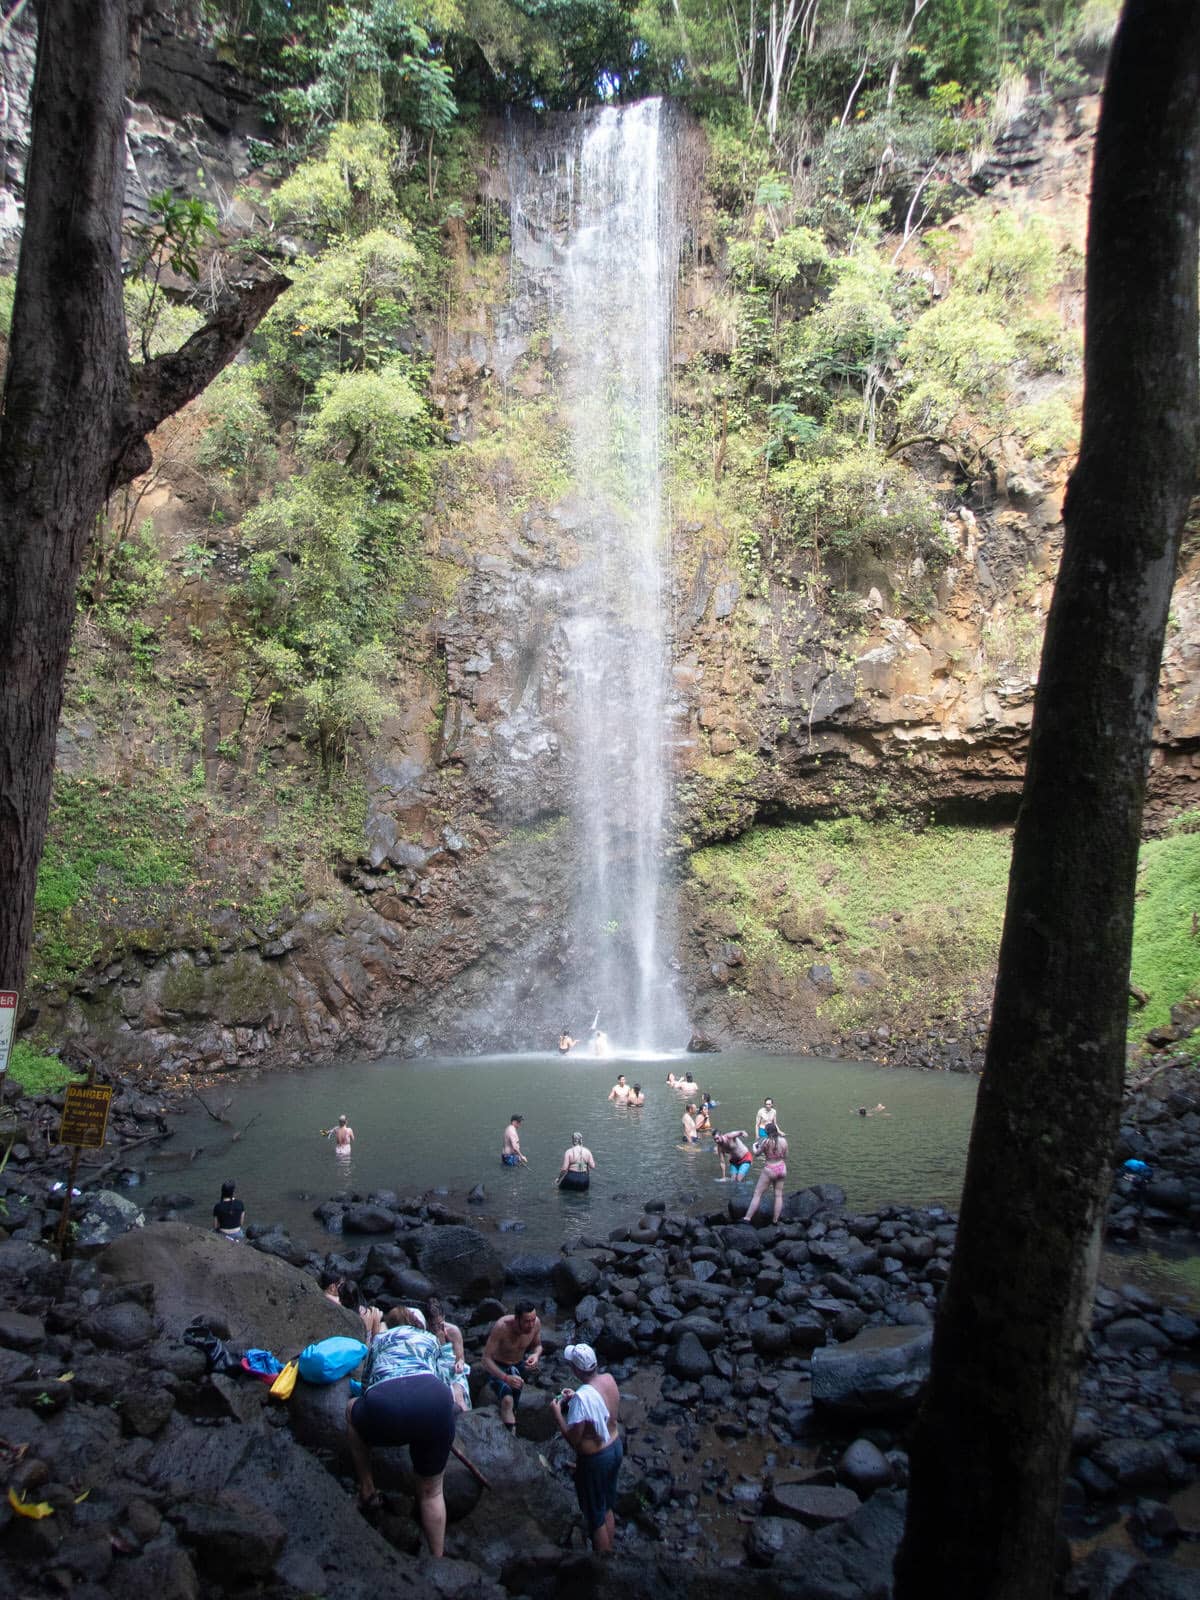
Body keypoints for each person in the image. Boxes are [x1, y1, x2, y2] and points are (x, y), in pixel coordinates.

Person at [345, 1307, 456, 1555]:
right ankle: (438, 1559)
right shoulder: (430, 1339)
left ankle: (367, 1489)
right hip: (434, 1400)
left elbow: (366, 1383)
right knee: (432, 1491)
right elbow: (445, 1379)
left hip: (386, 1402)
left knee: (351, 1410)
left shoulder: (380, 1339)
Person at [550, 1342, 622, 1553]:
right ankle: (612, 1550)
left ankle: (603, 1564)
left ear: (576, 1369)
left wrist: (557, 1414)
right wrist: (576, 1397)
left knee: (595, 1515)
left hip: (596, 1458)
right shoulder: (608, 1380)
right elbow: (603, 1408)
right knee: (606, 1504)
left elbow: (574, 1439)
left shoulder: (582, 1399)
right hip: (616, 1446)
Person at [482, 1300, 543, 1430]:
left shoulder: (536, 1324)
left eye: (533, 1319)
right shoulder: (502, 1327)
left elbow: (538, 1346)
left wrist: (535, 1355)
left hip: (519, 1363)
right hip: (498, 1366)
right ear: (517, 1319)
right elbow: (486, 1359)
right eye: (527, 1321)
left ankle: (516, 1414)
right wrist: (505, 1378)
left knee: (536, 1370)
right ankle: (511, 1434)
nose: (531, 1325)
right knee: (507, 1400)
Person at [426, 1297, 470, 1411]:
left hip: (453, 1372)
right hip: (434, 1372)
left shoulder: (453, 1331)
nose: (436, 1328)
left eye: (439, 1324)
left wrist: (459, 1364)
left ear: (444, 1317)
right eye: (432, 1325)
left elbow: (460, 1358)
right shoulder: (424, 1333)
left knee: (458, 1398)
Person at [745, 1122, 789, 1224]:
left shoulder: (766, 1142)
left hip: (770, 1169)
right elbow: (786, 1156)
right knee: (778, 1195)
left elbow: (756, 1154)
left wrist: (754, 1146)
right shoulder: (784, 1141)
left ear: (767, 1132)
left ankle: (747, 1218)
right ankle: (775, 1220)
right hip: (782, 1168)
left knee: (757, 1193)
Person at [338, 1277, 385, 1341]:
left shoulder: (343, 1315)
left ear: (343, 1299)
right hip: (368, 1344)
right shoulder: (368, 1311)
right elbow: (375, 1336)